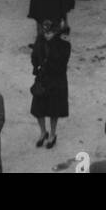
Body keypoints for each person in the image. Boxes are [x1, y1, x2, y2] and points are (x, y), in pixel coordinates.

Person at [30, 19, 70, 149]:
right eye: (45, 32)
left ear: (55, 32)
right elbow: (34, 56)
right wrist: (36, 67)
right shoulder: (40, 41)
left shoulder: (63, 44)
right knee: (38, 109)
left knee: (54, 110)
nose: (47, 35)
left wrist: (46, 66)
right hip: (42, 79)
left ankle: (52, 134)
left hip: (56, 80)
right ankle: (43, 132)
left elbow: (62, 63)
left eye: (50, 33)